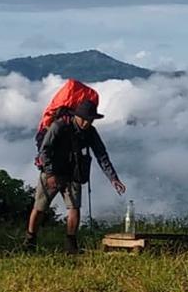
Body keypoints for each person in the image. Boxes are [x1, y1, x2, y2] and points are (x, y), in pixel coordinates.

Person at [25, 99, 126, 253]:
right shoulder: (59, 126)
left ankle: (71, 245)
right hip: (51, 172)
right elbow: (44, 151)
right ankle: (30, 241)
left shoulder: (90, 132)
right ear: (76, 116)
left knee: (74, 207)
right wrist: (50, 173)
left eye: (90, 120)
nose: (87, 123)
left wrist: (113, 179)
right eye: (85, 119)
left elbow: (102, 155)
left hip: (73, 173)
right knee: (39, 207)